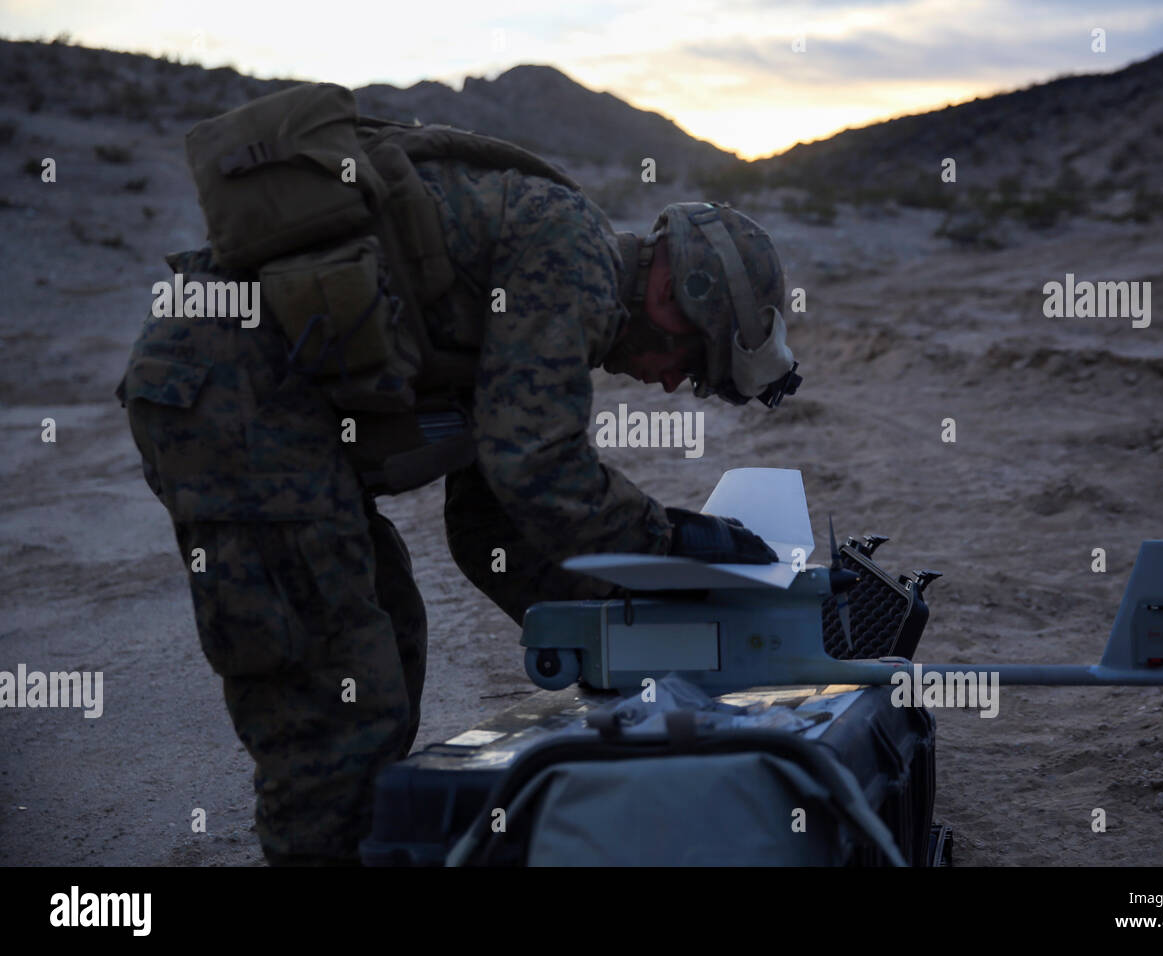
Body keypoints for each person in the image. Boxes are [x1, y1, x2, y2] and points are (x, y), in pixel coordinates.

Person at [115, 137, 802, 864]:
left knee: (390, 632)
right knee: (336, 709)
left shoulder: (562, 279)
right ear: (671, 294)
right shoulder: (573, 262)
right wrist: (671, 545)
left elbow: (490, 523)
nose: (670, 385)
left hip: (260, 410)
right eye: (691, 361)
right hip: (229, 405)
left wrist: (632, 632)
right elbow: (537, 464)